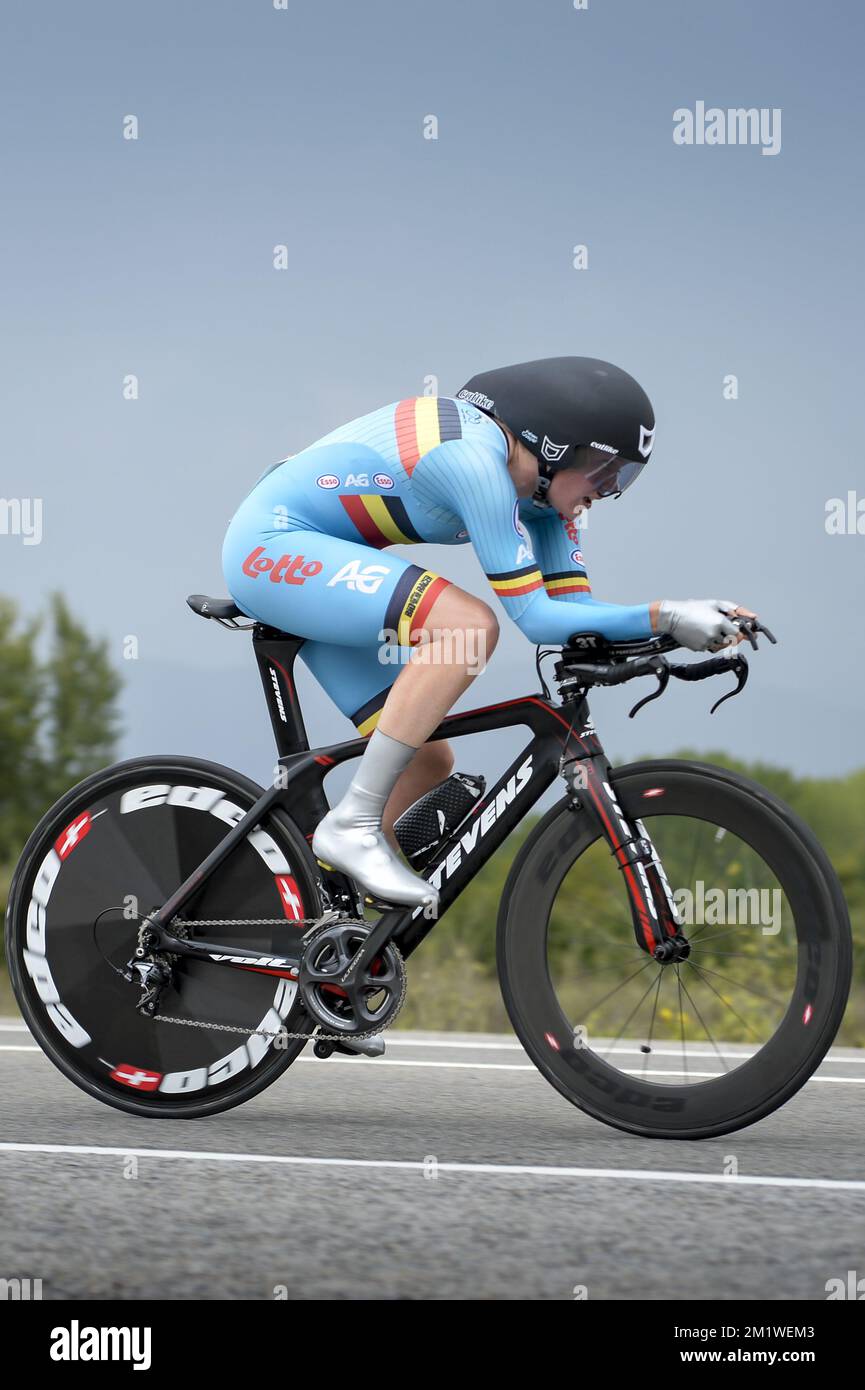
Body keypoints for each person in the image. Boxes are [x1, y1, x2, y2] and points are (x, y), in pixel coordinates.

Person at [222, 356, 754, 912]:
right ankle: (353, 826)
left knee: (427, 759)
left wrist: (684, 625)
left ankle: (319, 908)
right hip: (272, 548)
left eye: (624, 477)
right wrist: (668, 615)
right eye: (605, 469)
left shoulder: (543, 502)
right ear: (554, 445)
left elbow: (574, 611)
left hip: (327, 561)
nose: (610, 490)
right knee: (467, 627)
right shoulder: (474, 461)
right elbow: (535, 619)